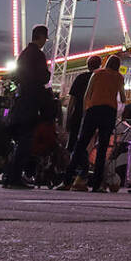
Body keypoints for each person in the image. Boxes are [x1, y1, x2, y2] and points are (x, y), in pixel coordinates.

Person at [64, 53, 124, 191]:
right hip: (109, 112)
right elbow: (122, 97)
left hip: (93, 110)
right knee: (102, 149)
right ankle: (97, 185)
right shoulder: (119, 77)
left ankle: (67, 180)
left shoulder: (97, 73)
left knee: (80, 145)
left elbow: (87, 94)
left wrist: (86, 112)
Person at [2, 24, 51, 189]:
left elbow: (15, 76)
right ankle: (15, 176)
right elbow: (43, 77)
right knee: (26, 140)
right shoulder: (38, 55)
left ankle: (9, 175)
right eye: (44, 38)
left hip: (21, 99)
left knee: (18, 140)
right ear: (41, 37)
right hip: (31, 100)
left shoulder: (23, 54)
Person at [58, 55, 98, 186]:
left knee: (75, 144)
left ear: (88, 65)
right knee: (84, 145)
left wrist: (68, 116)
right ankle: (83, 172)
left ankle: (78, 171)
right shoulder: (99, 79)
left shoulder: (81, 78)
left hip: (78, 115)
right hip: (91, 115)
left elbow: (73, 100)